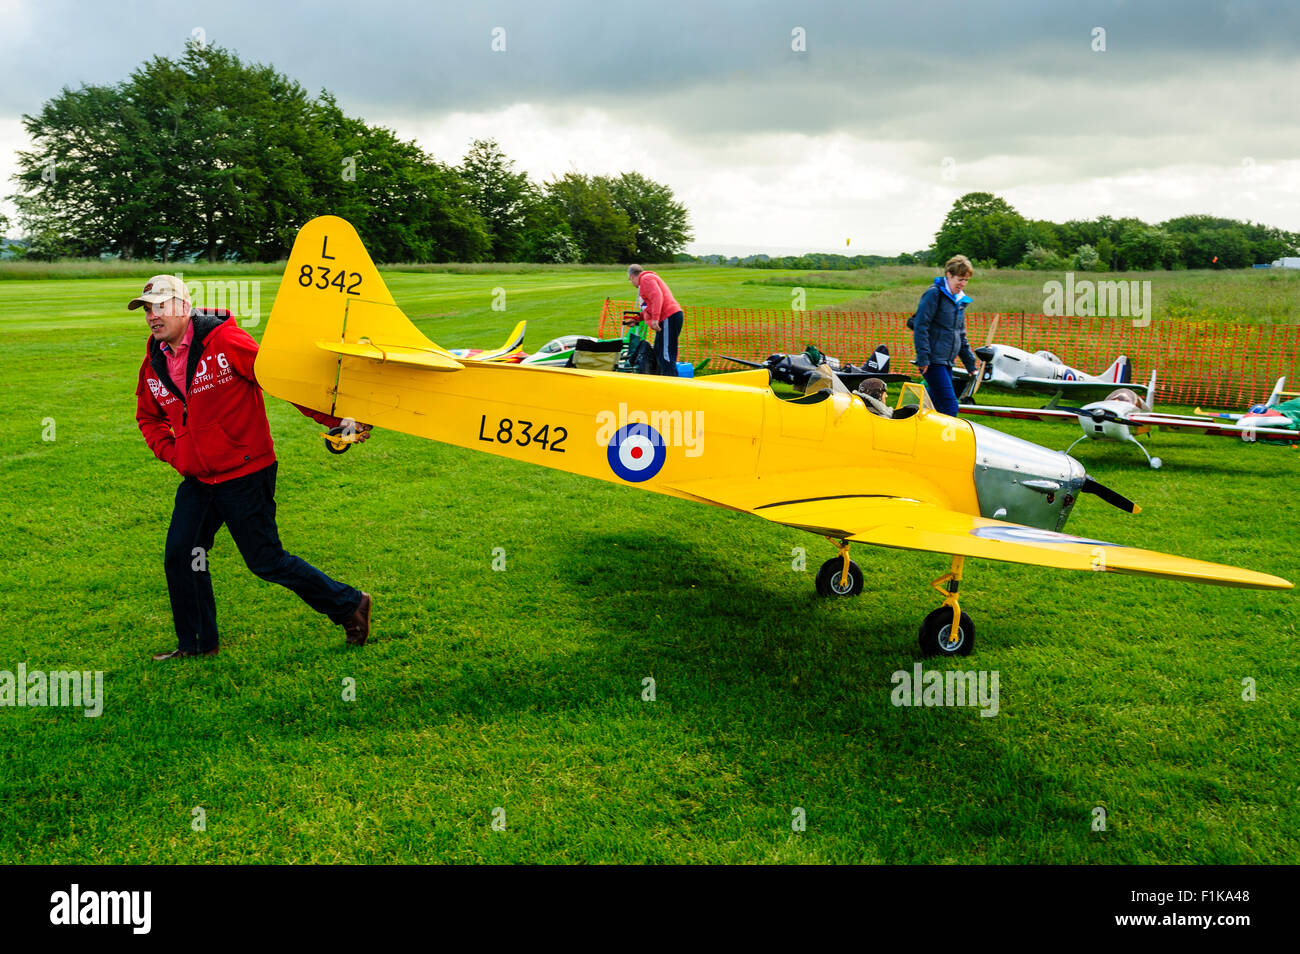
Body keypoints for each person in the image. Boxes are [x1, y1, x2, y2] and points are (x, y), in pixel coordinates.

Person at [131, 274, 374, 660]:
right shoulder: (155, 359)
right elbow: (148, 416)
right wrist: (175, 454)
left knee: (266, 561)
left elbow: (279, 380)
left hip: (245, 471)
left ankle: (348, 603)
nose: (152, 316)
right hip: (199, 477)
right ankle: (196, 644)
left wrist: (336, 420)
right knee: (182, 553)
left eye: (160, 306)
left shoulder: (226, 341)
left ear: (182, 306)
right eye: (146, 309)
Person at [912, 255, 977, 416]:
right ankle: (948, 440)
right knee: (950, 406)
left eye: (966, 280)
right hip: (933, 361)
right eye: (960, 279)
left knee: (933, 404)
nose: (963, 284)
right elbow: (921, 326)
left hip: (947, 362)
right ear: (949, 275)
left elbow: (960, 335)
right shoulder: (934, 295)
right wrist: (923, 358)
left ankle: (915, 429)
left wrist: (970, 363)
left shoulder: (959, 301)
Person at [624, 264, 684, 376]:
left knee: (665, 354)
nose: (631, 283)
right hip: (668, 318)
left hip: (668, 317)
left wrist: (655, 319)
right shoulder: (646, 280)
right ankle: (663, 379)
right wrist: (637, 319)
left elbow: (657, 297)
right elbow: (649, 307)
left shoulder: (645, 279)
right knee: (658, 351)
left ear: (632, 276)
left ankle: (670, 382)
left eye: (630, 280)